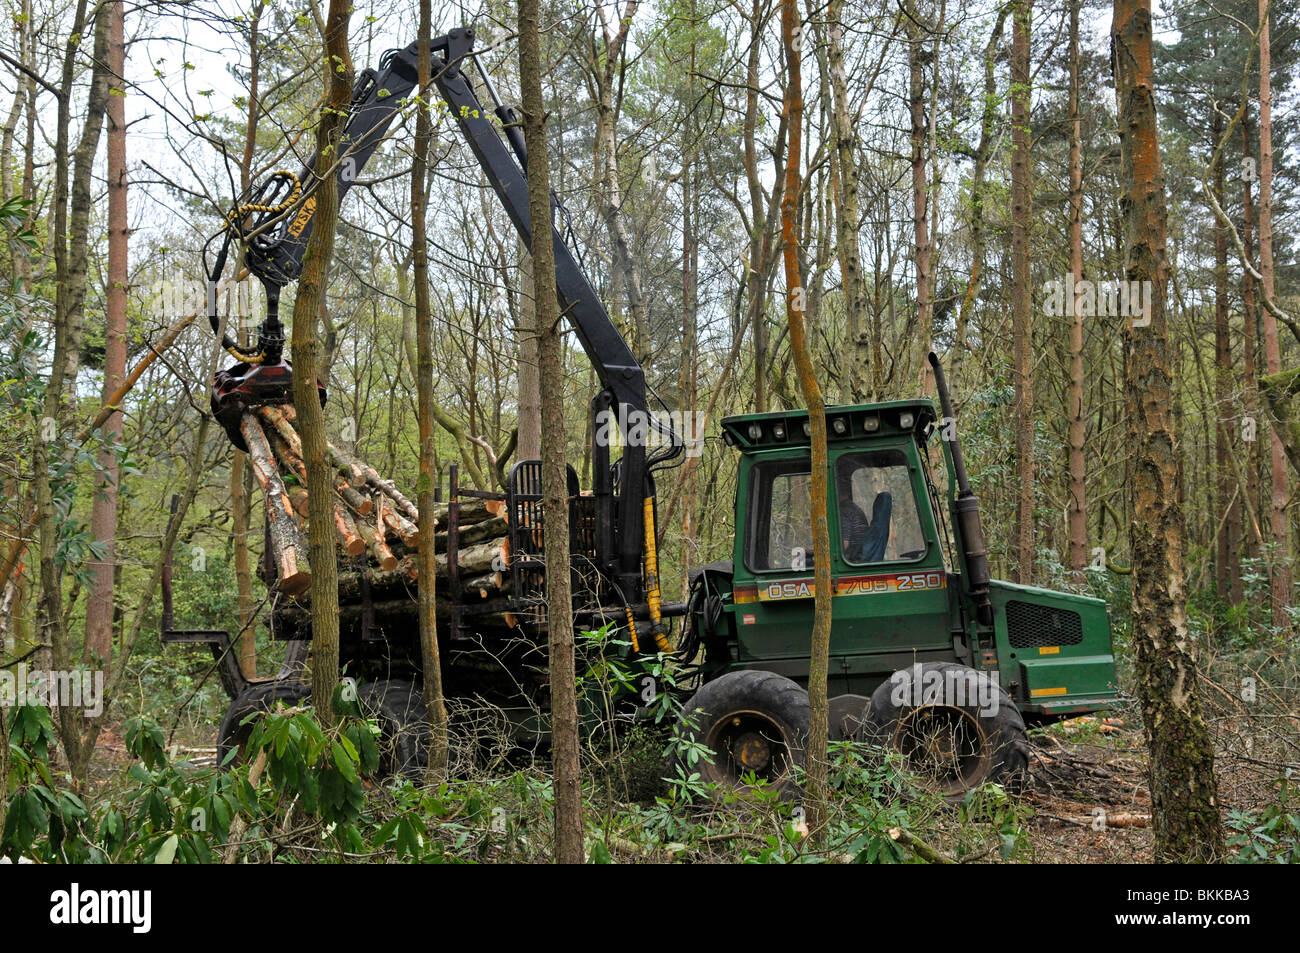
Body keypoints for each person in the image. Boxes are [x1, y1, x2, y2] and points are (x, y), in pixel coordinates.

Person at [838, 465, 892, 563]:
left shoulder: (844, 511)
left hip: (854, 559)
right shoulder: (854, 508)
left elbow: (844, 545)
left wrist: (815, 552)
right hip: (858, 554)